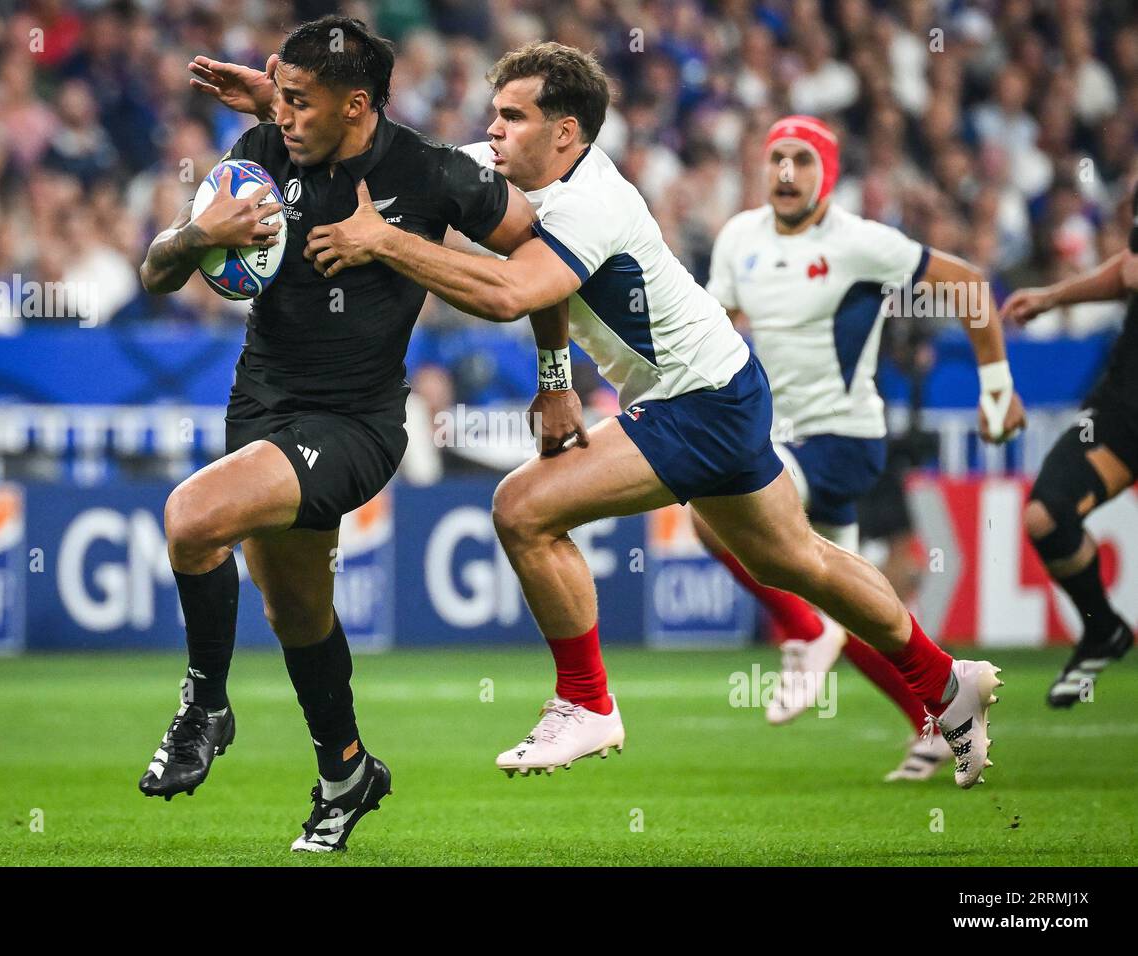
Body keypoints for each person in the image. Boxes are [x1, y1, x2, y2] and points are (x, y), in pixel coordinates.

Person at [301, 42, 1003, 789]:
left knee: (522, 507)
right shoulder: (519, 171)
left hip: (694, 399)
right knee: (795, 560)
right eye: (494, 114)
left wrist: (386, 240)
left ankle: (586, 701)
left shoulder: (591, 202)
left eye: (513, 116)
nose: (494, 129)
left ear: (564, 132)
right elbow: (407, 155)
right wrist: (290, 104)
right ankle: (945, 682)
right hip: (723, 383)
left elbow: (511, 292)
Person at [139, 17, 548, 853]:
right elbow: (156, 271)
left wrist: (558, 382)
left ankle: (205, 707)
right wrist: (197, 236)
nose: (280, 112)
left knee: (191, 518)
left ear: (355, 105)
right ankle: (348, 772)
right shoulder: (259, 151)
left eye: (298, 100)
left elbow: (540, 259)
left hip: (357, 423)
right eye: (277, 96)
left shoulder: (431, 173)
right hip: (259, 407)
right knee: (297, 610)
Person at [697, 115, 1026, 781]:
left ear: (828, 172)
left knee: (711, 507)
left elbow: (967, 284)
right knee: (848, 602)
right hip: (779, 439)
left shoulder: (860, 242)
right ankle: (940, 718)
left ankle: (807, 632)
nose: (786, 172)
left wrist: (997, 386)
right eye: (777, 158)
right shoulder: (738, 236)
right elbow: (712, 332)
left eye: (802, 159)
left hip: (843, 442)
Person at [1003, 184, 1138, 707]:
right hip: (1125, 409)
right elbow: (1129, 269)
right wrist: (1054, 295)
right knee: (1046, 515)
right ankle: (1103, 629)